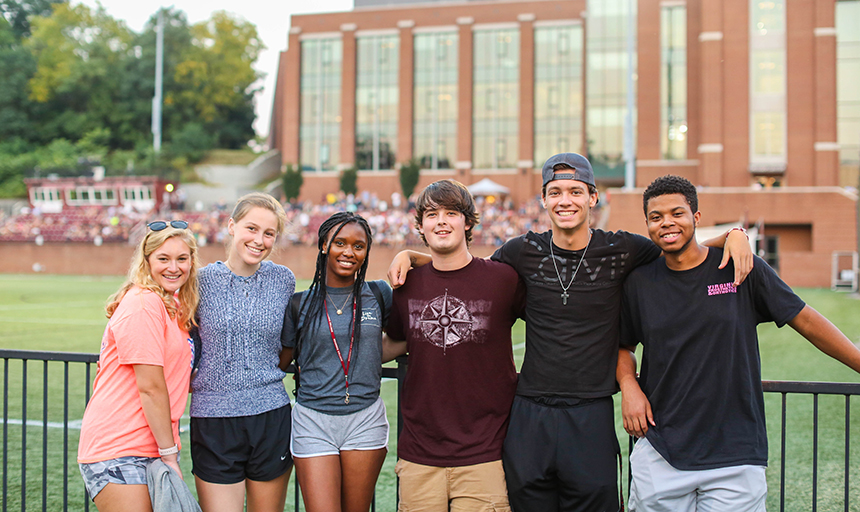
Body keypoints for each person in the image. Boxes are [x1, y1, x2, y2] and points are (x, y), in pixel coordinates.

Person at [388, 153, 753, 511]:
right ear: (544, 199)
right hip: (529, 412)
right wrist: (412, 255)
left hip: (590, 411)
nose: (566, 200)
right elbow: (463, 267)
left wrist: (733, 235)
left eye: (576, 191)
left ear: (593, 197)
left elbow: (678, 245)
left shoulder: (623, 248)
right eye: (556, 192)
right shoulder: (520, 251)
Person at [617, 175, 860, 511]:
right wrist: (629, 385)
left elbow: (803, 318)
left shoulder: (739, 267)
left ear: (696, 218)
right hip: (661, 449)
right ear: (647, 224)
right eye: (656, 217)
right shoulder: (639, 282)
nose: (667, 223)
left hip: (735, 453)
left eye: (677, 213)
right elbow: (623, 345)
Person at [384, 179, 526, 511]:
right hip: (419, 453)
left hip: (485, 453)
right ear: (420, 225)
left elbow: (547, 324)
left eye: (452, 212)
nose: (442, 221)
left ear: (468, 221)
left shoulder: (502, 279)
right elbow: (393, 344)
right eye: (432, 215)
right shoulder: (406, 285)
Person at [78, 220, 200, 512]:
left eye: (182, 259)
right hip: (120, 447)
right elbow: (151, 387)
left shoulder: (172, 306)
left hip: (149, 447)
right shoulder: (143, 303)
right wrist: (170, 455)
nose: (174, 267)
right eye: (163, 258)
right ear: (147, 262)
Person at [190, 193, 295, 512]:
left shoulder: (283, 280)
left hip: (270, 417)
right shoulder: (199, 281)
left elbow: (287, 346)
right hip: (213, 419)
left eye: (269, 233)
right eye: (252, 228)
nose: (259, 240)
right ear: (232, 226)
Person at [282, 211, 392, 512]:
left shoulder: (379, 294)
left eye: (359, 246)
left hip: (365, 418)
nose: (349, 252)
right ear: (324, 246)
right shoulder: (299, 303)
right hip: (313, 420)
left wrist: (410, 255)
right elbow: (281, 360)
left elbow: (402, 338)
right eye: (340, 243)